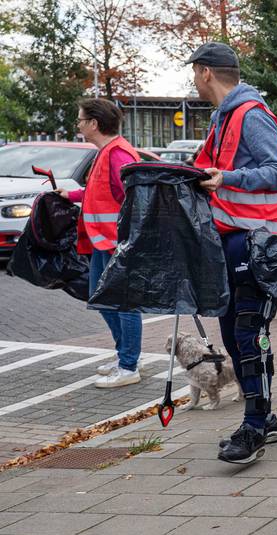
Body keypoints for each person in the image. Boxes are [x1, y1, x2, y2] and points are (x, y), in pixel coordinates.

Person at [187, 42, 277, 465]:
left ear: (205, 72)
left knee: (248, 335)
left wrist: (227, 177)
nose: (194, 80)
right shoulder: (225, 117)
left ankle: (254, 424)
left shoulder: (250, 114)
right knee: (234, 335)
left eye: (194, 73)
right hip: (233, 241)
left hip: (258, 244)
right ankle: (264, 417)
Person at [59, 98, 143, 389]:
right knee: (102, 298)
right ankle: (125, 357)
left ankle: (130, 365)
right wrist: (70, 197)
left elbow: (134, 198)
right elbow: (100, 193)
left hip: (115, 242)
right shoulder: (107, 152)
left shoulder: (117, 154)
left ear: (94, 124)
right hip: (103, 241)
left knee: (122, 303)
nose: (79, 125)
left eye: (80, 121)